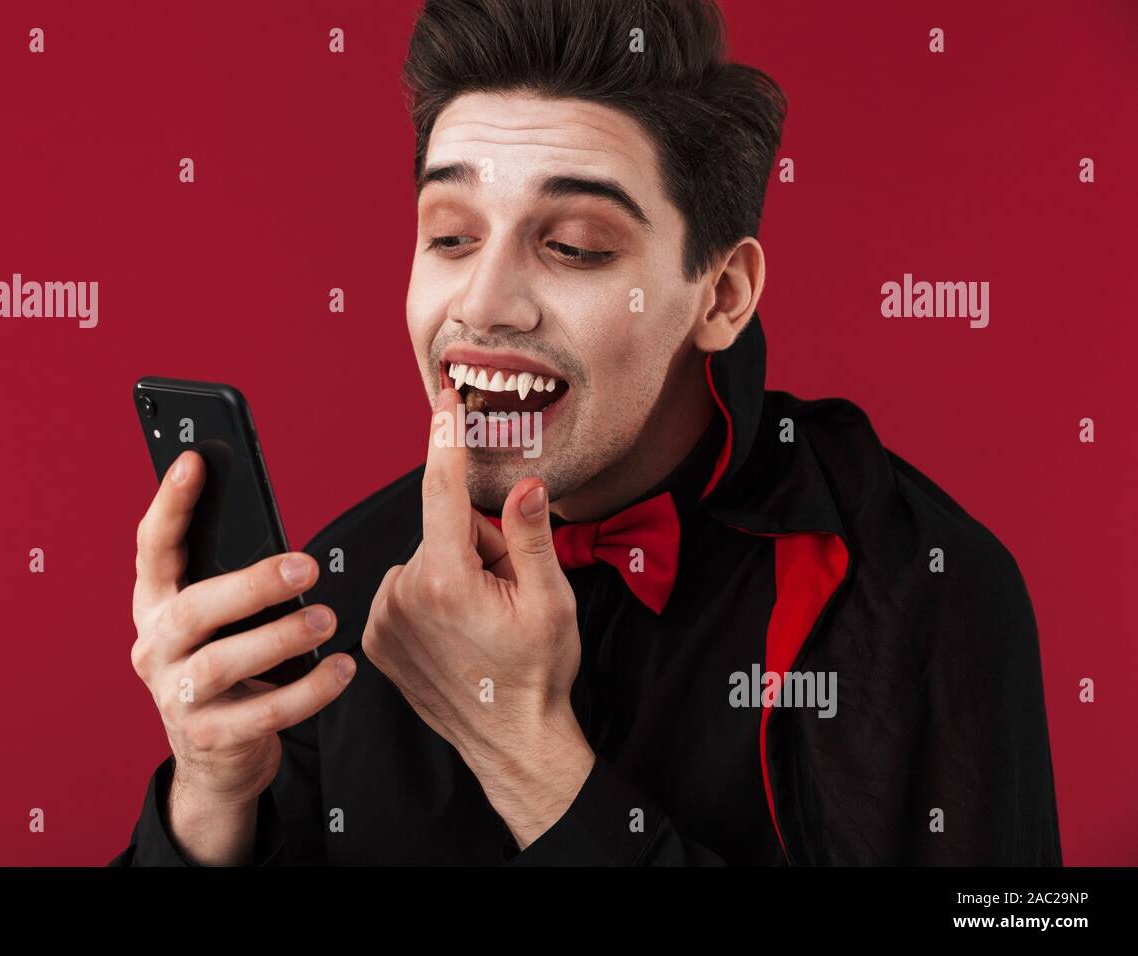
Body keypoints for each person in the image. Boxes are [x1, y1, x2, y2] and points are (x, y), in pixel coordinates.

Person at [112, 0, 1061, 866]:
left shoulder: (922, 589)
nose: (482, 303)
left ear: (722, 294)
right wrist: (209, 801)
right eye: (450, 236)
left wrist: (525, 755)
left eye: (572, 246)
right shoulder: (346, 583)